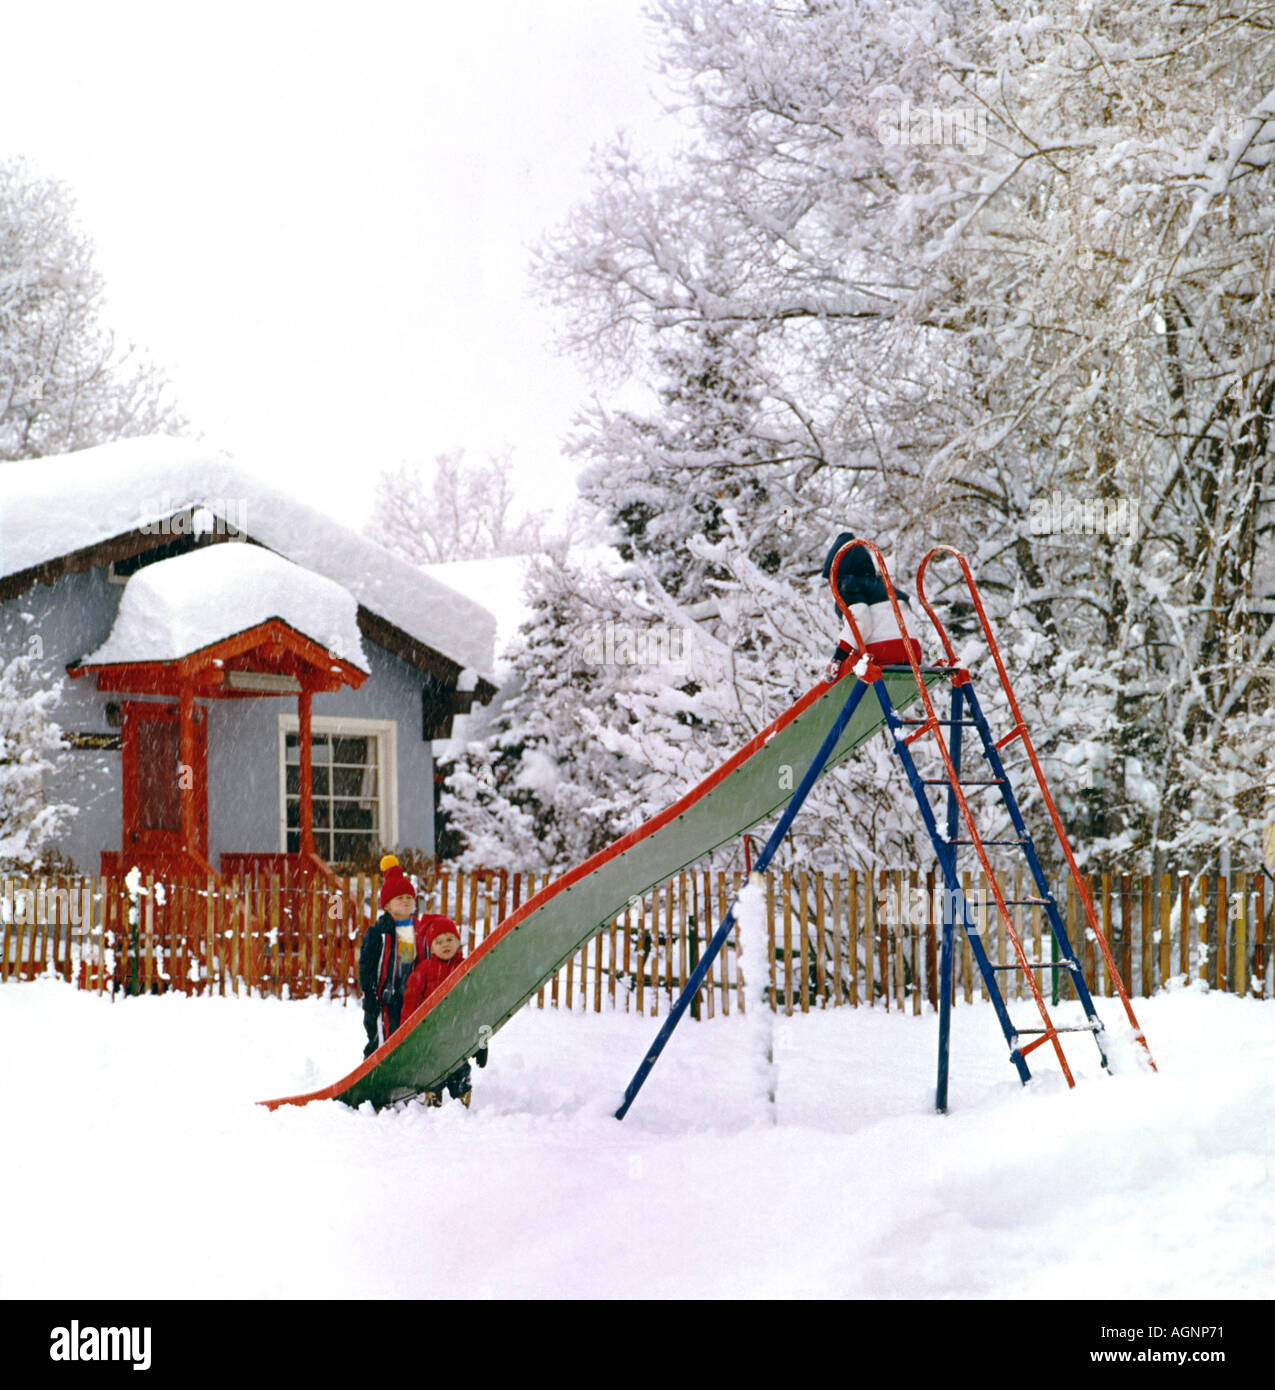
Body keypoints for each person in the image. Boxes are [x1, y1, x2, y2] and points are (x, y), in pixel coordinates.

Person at [401, 918, 487, 1107]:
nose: (445, 945)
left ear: (458, 942)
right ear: (431, 948)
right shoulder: (423, 970)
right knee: (431, 1071)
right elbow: (410, 1001)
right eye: (438, 942)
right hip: (431, 1036)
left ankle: (462, 1101)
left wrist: (482, 1042)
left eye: (449, 939)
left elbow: (478, 1007)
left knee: (460, 1070)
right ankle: (432, 1098)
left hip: (459, 1035)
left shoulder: (467, 969)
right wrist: (406, 1035)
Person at [821, 532, 921, 680]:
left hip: (884, 653)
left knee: (850, 673)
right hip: (912, 653)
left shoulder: (850, 585)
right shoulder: (884, 586)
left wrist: (838, 658)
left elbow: (861, 623)